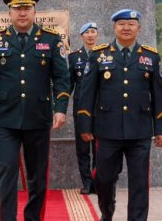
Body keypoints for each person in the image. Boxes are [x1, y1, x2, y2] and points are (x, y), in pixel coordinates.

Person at [0, 0, 71, 221]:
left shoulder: (50, 39)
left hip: (39, 117)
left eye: (27, 8)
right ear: (9, 13)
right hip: (6, 118)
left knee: (37, 174)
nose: (22, 13)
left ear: (34, 11)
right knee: (7, 171)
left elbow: (61, 78)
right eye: (17, 9)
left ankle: (33, 218)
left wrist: (60, 109)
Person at [74, 9, 162, 221]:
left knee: (139, 183)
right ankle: (107, 213)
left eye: (131, 24)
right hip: (107, 131)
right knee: (104, 180)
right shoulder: (100, 55)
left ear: (139, 28)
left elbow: (159, 96)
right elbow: (87, 94)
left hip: (140, 130)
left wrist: (161, 128)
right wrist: (85, 126)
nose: (126, 27)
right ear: (114, 27)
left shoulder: (150, 56)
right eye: (122, 23)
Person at [67, 21, 100, 194]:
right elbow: (68, 85)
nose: (90, 35)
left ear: (97, 35)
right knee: (83, 148)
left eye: (93, 32)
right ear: (82, 36)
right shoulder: (74, 57)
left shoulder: (105, 55)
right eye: (87, 32)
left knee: (99, 148)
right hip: (81, 110)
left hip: (101, 109)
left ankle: (97, 182)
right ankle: (87, 183)